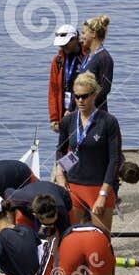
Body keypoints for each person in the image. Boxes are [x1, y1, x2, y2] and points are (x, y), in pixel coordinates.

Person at [53, 71, 122, 233]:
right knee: (70, 236)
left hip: (98, 187)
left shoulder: (108, 122)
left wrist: (103, 194)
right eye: (77, 97)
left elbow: (115, 160)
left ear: (94, 95)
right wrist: (60, 174)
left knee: (101, 239)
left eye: (84, 96)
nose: (80, 100)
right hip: (74, 186)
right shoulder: (68, 121)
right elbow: (60, 150)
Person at [48, 23, 84, 132]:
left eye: (66, 43)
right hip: (63, 112)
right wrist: (54, 118)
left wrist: (73, 109)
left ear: (75, 39)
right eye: (61, 45)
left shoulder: (86, 57)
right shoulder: (57, 61)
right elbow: (53, 90)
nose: (63, 47)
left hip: (81, 109)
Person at [76, 15, 113, 111]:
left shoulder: (104, 57)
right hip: (81, 110)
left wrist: (88, 104)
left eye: (83, 33)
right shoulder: (87, 56)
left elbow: (105, 88)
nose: (81, 37)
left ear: (93, 34)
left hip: (96, 112)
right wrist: (72, 108)